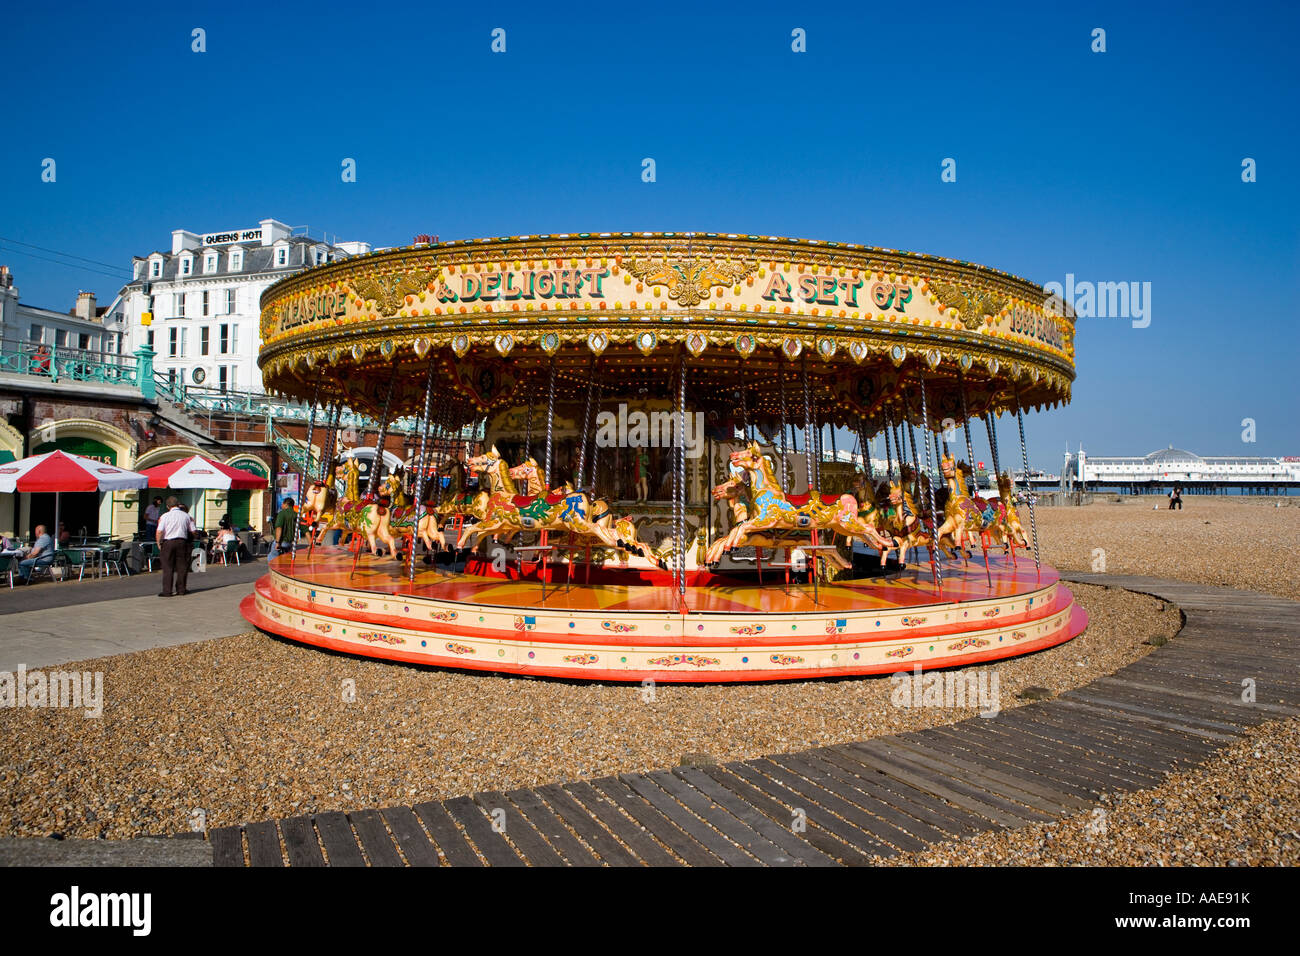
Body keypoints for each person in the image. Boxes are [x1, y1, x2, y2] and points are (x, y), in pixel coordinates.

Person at [156, 496, 196, 597]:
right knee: (182, 567)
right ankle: (181, 589)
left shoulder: (164, 516)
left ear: (167, 506)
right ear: (178, 504)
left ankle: (167, 591)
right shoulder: (186, 516)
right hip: (182, 542)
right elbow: (193, 531)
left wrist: (158, 543)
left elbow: (159, 531)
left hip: (168, 542)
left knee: (167, 567)